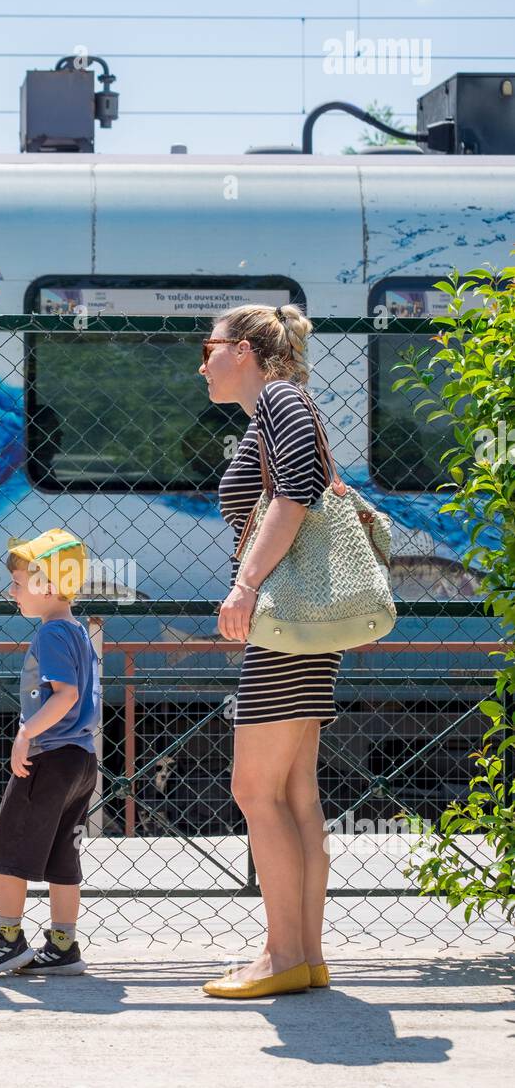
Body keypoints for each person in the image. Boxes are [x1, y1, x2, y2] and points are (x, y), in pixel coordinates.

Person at [200, 303, 342, 999]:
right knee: (292, 793)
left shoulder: (281, 400)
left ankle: (283, 956)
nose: (203, 364)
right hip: (301, 628)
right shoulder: (278, 408)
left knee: (253, 791)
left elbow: (294, 497)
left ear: (246, 353)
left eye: (211, 347)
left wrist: (245, 586)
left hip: (286, 626)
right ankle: (302, 955)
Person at [0, 527, 101, 978]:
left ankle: (8, 939)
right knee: (63, 852)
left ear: (49, 586)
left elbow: (65, 695)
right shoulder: (77, 630)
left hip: (51, 755)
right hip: (81, 759)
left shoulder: (51, 635)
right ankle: (63, 944)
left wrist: (25, 734)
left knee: (9, 845)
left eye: (19, 583)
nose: (11, 591)